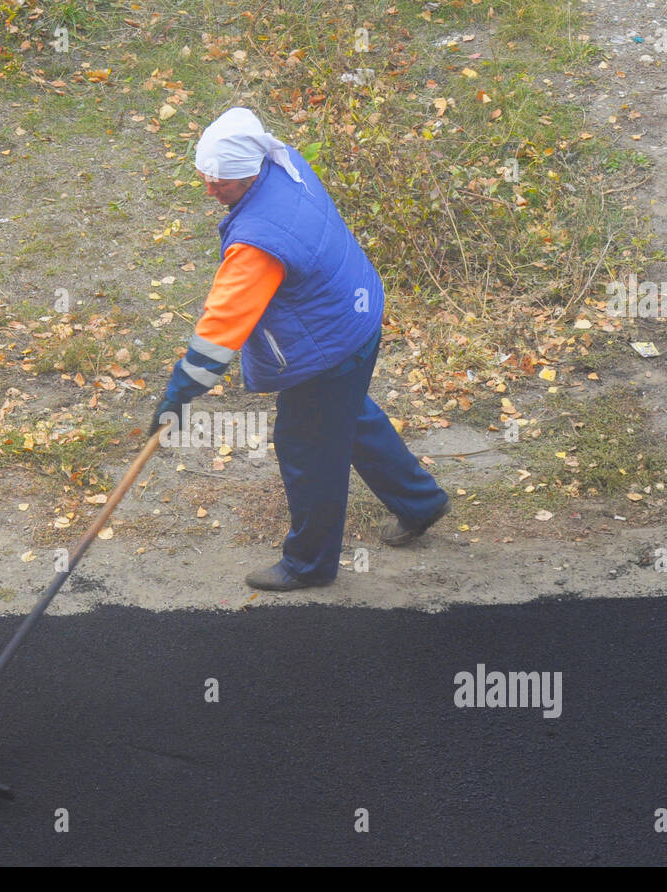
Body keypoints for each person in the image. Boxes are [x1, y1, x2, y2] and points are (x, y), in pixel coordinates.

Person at [149, 107, 450, 591]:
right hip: (357, 313)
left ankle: (309, 565)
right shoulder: (283, 162)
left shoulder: (257, 245)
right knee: (345, 417)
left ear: (248, 172)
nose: (209, 190)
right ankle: (421, 501)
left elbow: (220, 329)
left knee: (307, 448)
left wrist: (180, 394)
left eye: (219, 182)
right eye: (204, 178)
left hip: (326, 348)